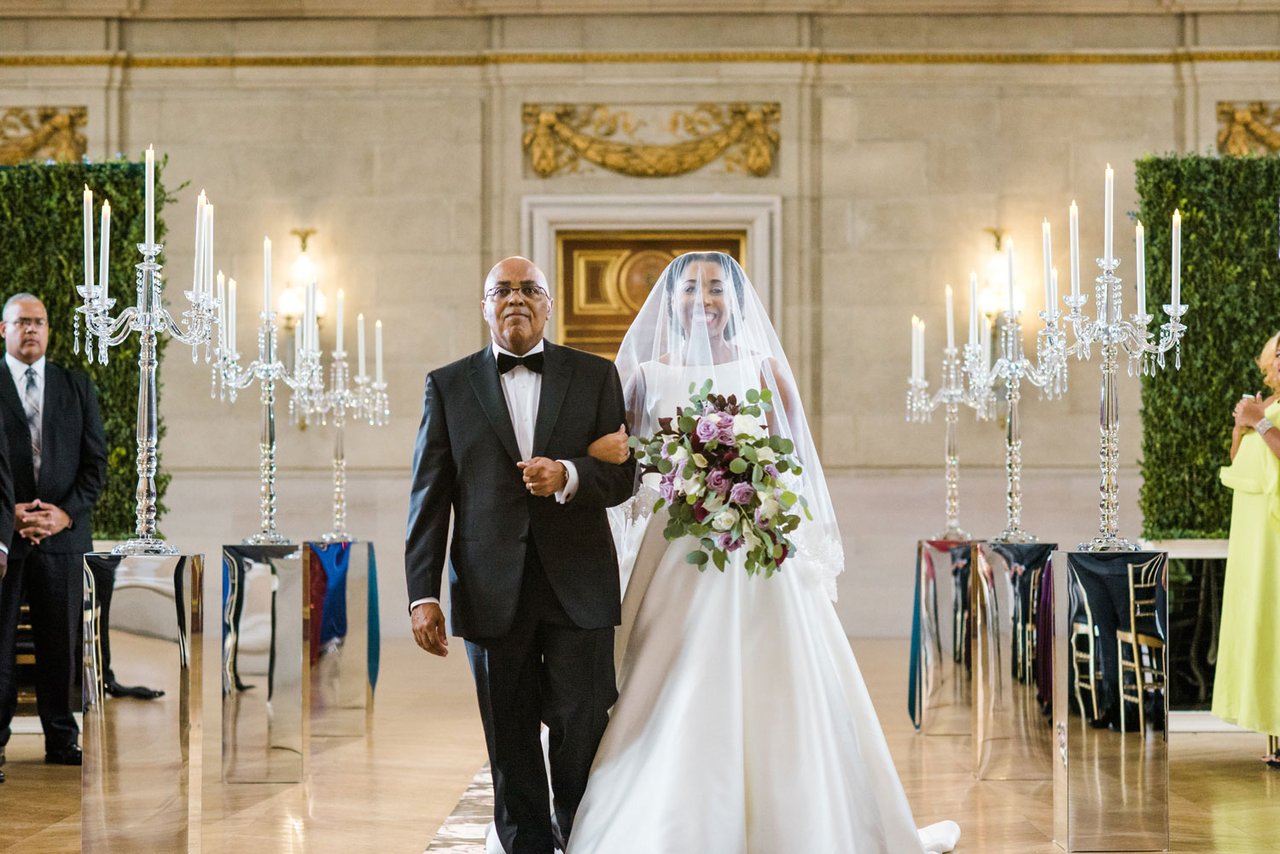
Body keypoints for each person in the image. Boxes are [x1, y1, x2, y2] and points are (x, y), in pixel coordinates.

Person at [567, 253, 960, 853]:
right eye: (690, 288)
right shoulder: (644, 378)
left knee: (776, 675)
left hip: (754, 546)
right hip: (674, 552)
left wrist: (749, 489)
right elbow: (623, 467)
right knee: (669, 673)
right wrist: (676, 483)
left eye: (716, 289)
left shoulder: (765, 371)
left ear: (735, 301)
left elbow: (793, 465)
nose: (703, 300)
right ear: (670, 301)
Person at [404, 257, 636, 854]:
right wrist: (423, 594)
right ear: (484, 306)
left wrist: (570, 474)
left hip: (579, 583)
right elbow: (429, 497)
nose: (516, 299)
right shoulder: (448, 385)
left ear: (549, 305)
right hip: (489, 588)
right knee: (509, 737)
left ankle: (584, 838)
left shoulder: (595, 375)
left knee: (583, 723)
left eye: (530, 289)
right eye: (501, 290)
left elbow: (625, 477)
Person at [0, 293, 105, 774]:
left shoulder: (76, 386)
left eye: (39, 321)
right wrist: (8, 514)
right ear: (4, 329)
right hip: (5, 540)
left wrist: (64, 515)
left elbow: (95, 466)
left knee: (62, 646)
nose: (32, 329)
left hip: (64, 540)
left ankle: (62, 740)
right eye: (22, 321)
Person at [1216, 331, 1280, 766]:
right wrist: (1241, 428)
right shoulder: (1267, 404)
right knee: (1261, 623)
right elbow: (1238, 461)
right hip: (1252, 530)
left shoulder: (1266, 413)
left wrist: (1259, 422)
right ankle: (1272, 732)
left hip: (1274, 530)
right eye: (1278, 353)